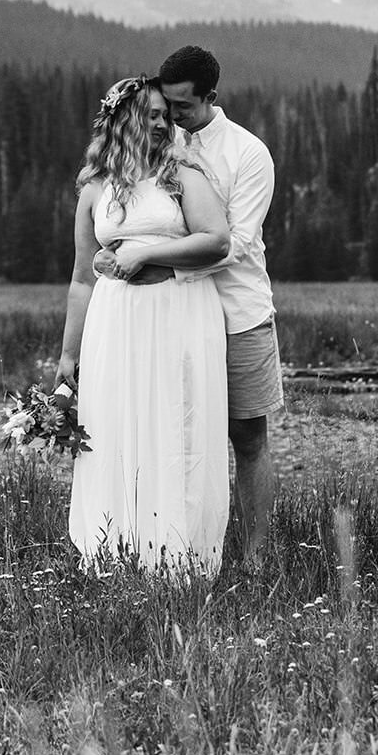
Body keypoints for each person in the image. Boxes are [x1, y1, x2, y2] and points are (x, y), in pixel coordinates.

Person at [55, 75, 232, 574]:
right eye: (150, 115)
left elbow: (217, 240)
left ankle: (180, 559)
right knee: (116, 428)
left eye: (164, 115)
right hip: (115, 325)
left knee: (175, 426)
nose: (162, 123)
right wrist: (69, 355)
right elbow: (81, 279)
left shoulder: (184, 174)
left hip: (178, 316)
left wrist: (145, 254)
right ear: (123, 121)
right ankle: (117, 555)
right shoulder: (94, 189)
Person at [155, 44, 284, 562]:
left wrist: (164, 266)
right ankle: (183, 548)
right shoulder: (161, 147)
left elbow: (242, 243)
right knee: (180, 436)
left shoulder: (248, 154)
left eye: (183, 107)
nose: (174, 117)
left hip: (238, 317)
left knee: (248, 440)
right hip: (176, 317)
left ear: (211, 97)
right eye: (168, 106)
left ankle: (254, 557)